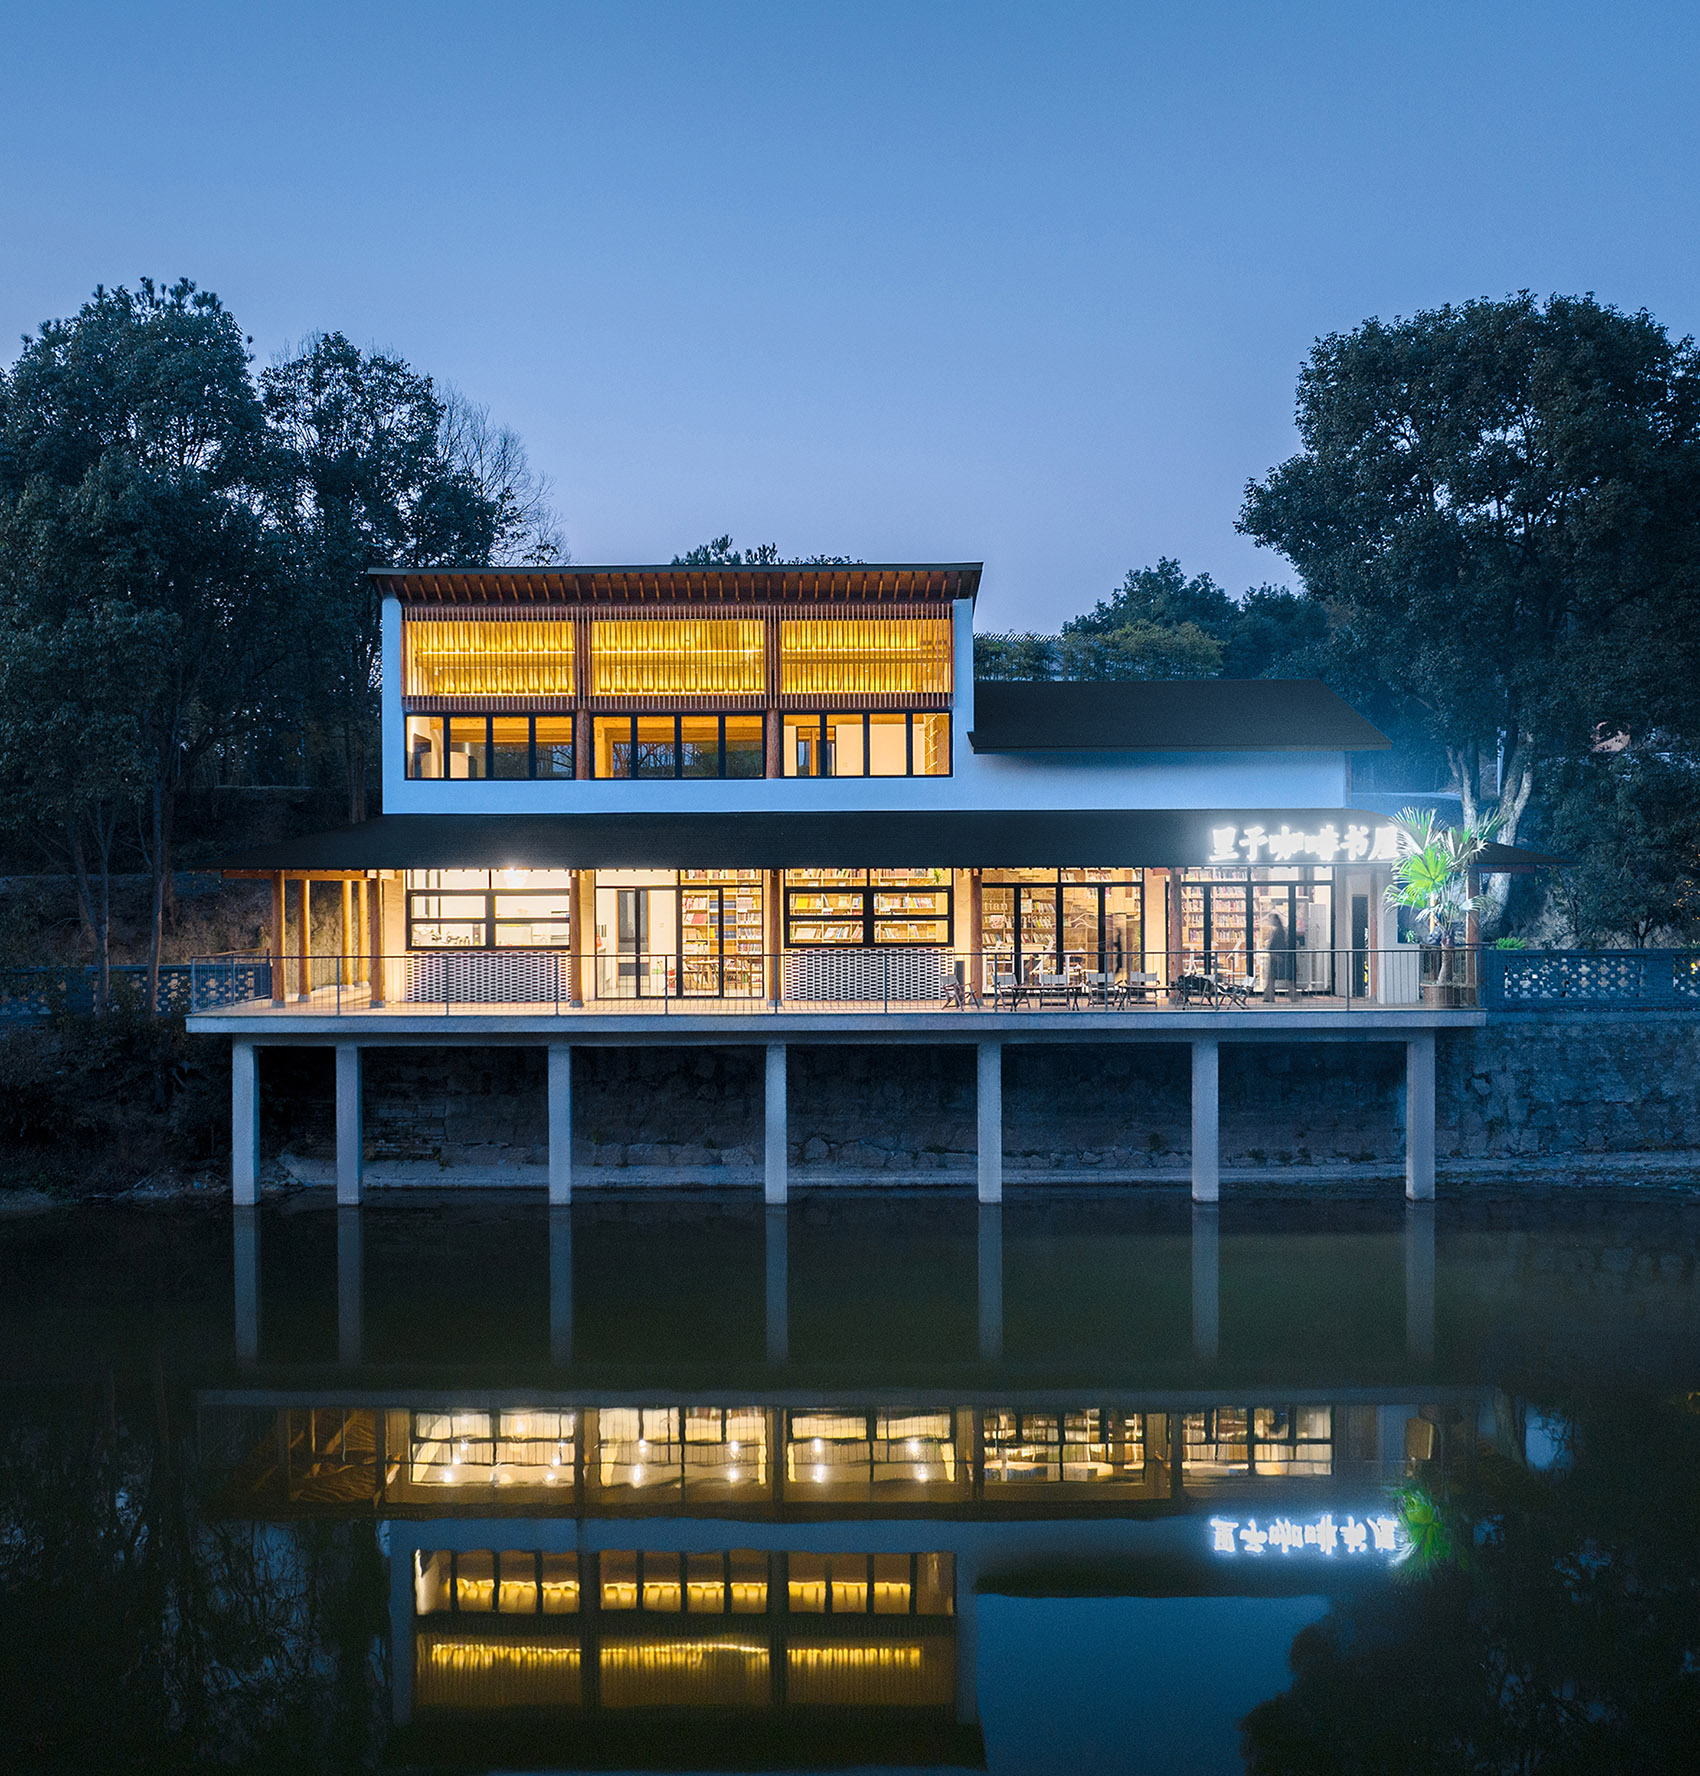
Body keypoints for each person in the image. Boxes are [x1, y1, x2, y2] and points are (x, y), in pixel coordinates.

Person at [1263, 912, 1289, 1000]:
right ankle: (1268, 996)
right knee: (1273, 977)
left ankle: (1269, 997)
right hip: (1279, 956)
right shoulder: (1281, 930)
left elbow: (1274, 944)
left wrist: (1269, 948)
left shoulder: (1277, 931)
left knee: (1272, 977)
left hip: (1276, 956)